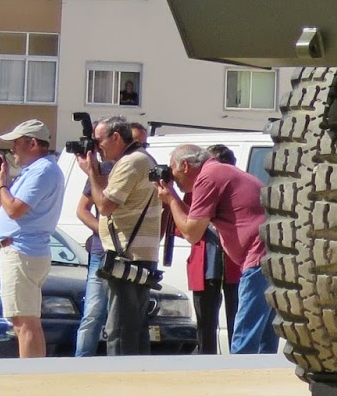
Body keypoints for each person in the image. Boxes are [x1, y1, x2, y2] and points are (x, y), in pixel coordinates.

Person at [159, 142, 275, 354]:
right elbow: (197, 221)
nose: (172, 176)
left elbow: (192, 233)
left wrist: (171, 199)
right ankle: (262, 380)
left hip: (258, 257)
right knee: (264, 337)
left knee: (245, 335)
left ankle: (239, 379)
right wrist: (174, 199)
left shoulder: (208, 176)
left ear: (185, 165)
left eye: (172, 169)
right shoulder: (220, 172)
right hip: (270, 254)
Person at [79, 117, 161, 355]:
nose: (96, 147)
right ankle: (138, 378)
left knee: (120, 329)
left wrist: (91, 174)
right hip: (136, 254)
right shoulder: (140, 160)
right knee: (134, 326)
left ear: (116, 137)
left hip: (127, 257)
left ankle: (122, 378)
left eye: (98, 141)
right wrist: (94, 169)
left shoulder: (131, 162)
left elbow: (104, 205)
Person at [0, 119, 67, 358]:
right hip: (26, 250)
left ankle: (29, 378)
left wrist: (2, 185)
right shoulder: (40, 170)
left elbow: (15, 209)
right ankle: (37, 374)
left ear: (32, 143)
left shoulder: (42, 170)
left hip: (21, 251)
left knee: (23, 322)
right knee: (28, 320)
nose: (12, 150)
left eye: (16, 143)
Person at [72, 153, 114, 357]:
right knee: (92, 312)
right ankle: (82, 363)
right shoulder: (102, 170)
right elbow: (82, 210)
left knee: (119, 315)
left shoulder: (140, 166)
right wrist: (105, 233)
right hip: (101, 253)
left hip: (130, 253)